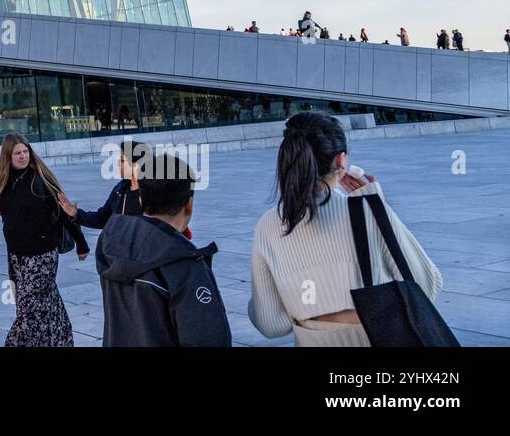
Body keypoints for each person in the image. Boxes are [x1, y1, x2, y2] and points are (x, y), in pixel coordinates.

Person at [248, 112, 441, 347]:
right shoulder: (366, 210)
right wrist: (376, 204)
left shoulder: (267, 226)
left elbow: (271, 325)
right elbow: (426, 285)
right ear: (341, 160)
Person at [0, 134, 88, 346]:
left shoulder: (41, 179)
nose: (23, 156)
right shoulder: (2, 184)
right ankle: (60, 341)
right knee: (39, 304)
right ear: (7, 156)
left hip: (43, 255)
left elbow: (64, 213)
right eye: (17, 153)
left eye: (25, 151)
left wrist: (81, 243)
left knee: (29, 311)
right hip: (17, 257)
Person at [96, 151, 230, 347]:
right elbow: (208, 337)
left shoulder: (113, 245)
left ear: (140, 200)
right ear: (189, 205)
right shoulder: (185, 266)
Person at [76, 140, 144, 230]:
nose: (118, 164)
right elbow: (103, 218)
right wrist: (76, 214)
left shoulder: (155, 192)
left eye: (122, 160)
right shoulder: (119, 190)